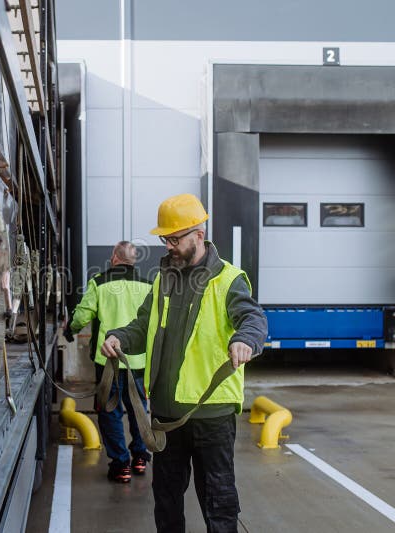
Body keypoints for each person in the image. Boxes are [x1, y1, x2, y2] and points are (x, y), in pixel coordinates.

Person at [101, 194, 267, 532]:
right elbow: (142, 324)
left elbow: (253, 318)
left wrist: (244, 339)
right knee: (166, 499)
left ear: (199, 235)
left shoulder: (228, 279)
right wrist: (119, 336)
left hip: (211, 413)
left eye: (175, 238)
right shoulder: (164, 280)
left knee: (217, 501)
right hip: (167, 415)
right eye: (166, 239)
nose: (169, 246)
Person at [65, 241, 153, 483]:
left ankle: (120, 464)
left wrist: (69, 330)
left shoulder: (99, 282)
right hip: (138, 361)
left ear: (114, 258)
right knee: (139, 409)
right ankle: (139, 457)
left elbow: (82, 315)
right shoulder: (147, 285)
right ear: (133, 260)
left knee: (109, 410)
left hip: (108, 361)